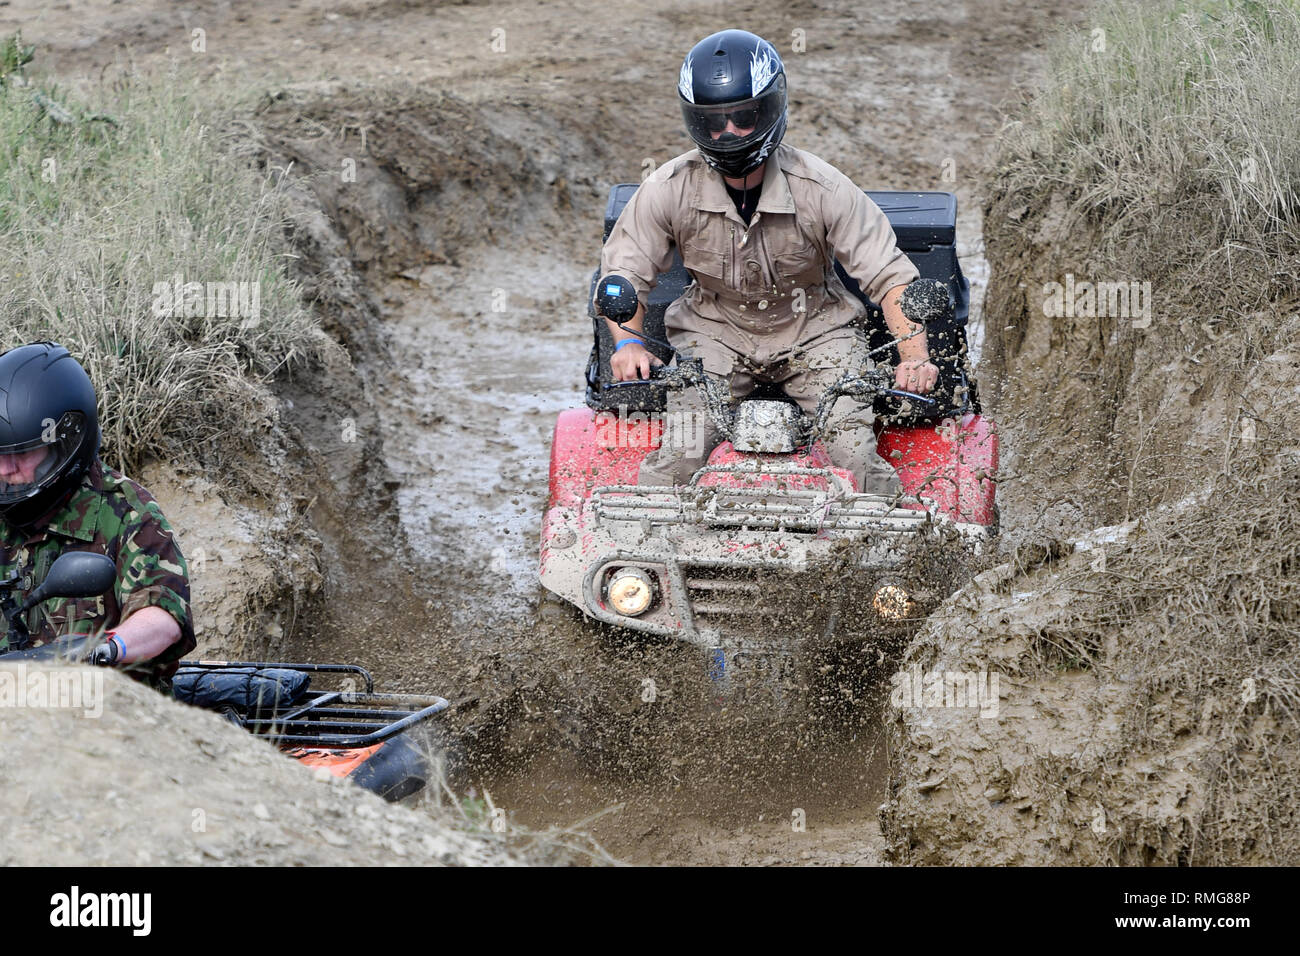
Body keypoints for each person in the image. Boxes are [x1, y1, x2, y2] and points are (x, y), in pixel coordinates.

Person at [598, 29, 938, 492]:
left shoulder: (823, 187)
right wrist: (627, 345)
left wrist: (913, 358)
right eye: (713, 121)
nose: (728, 132)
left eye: (742, 117)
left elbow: (889, 274)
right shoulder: (667, 187)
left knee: (853, 450)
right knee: (679, 451)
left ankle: (901, 546)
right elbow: (623, 274)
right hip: (712, 334)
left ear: (770, 109)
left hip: (818, 332)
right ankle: (642, 551)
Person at [0, 342, 195, 689]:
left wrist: (101, 650)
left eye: (23, 452)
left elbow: (163, 616)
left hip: (105, 715)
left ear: (65, 442)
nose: (6, 469)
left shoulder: (125, 511)